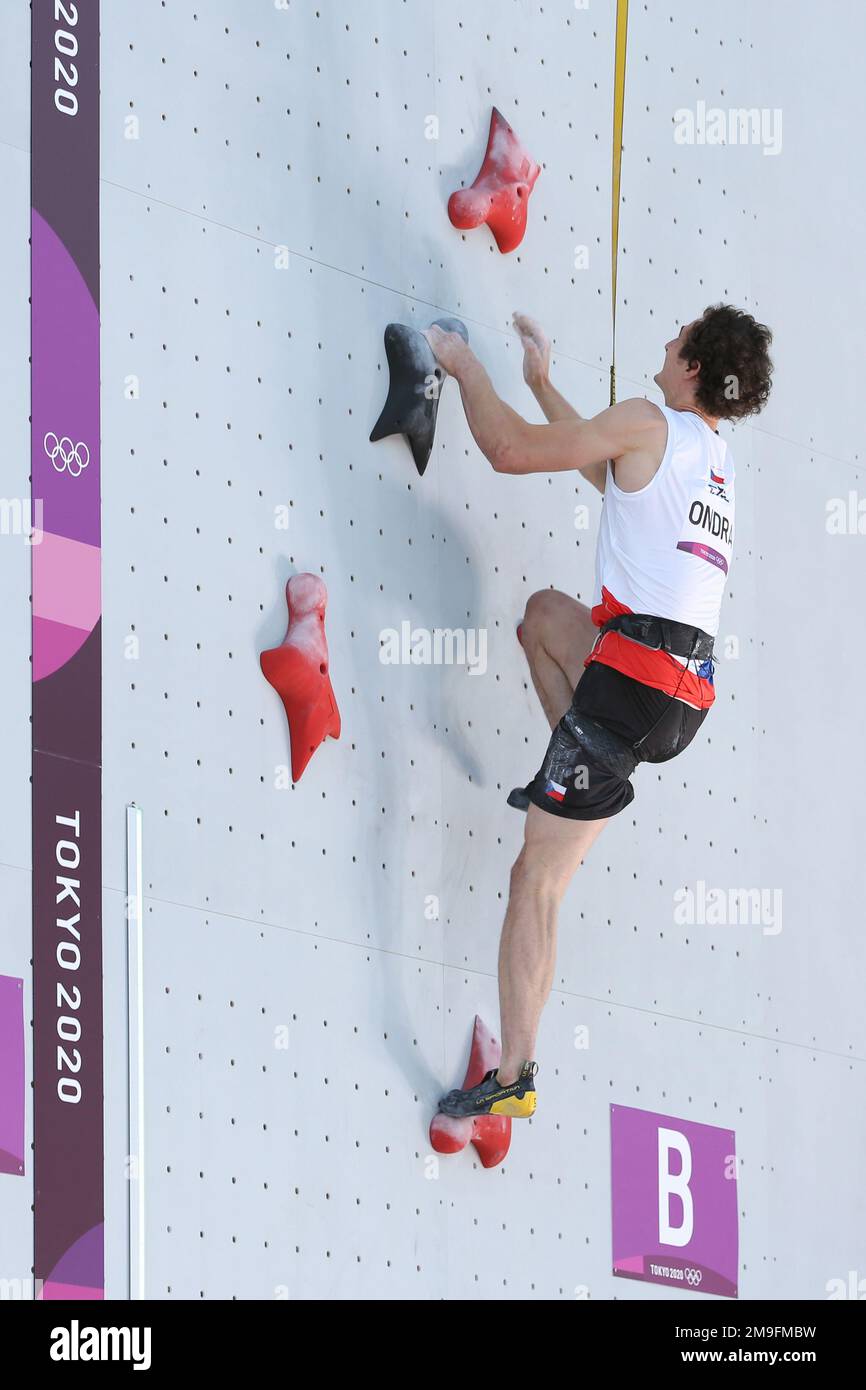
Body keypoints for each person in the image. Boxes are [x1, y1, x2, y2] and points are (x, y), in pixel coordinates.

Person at [429, 305, 773, 1118]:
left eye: (677, 337)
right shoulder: (708, 458)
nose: (663, 340)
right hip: (676, 695)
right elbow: (609, 478)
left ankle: (513, 1078)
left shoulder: (651, 421)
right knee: (546, 621)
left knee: (536, 878)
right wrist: (544, 383)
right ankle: (573, 768)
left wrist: (461, 363)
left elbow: (511, 452)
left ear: (691, 366)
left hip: (632, 684)